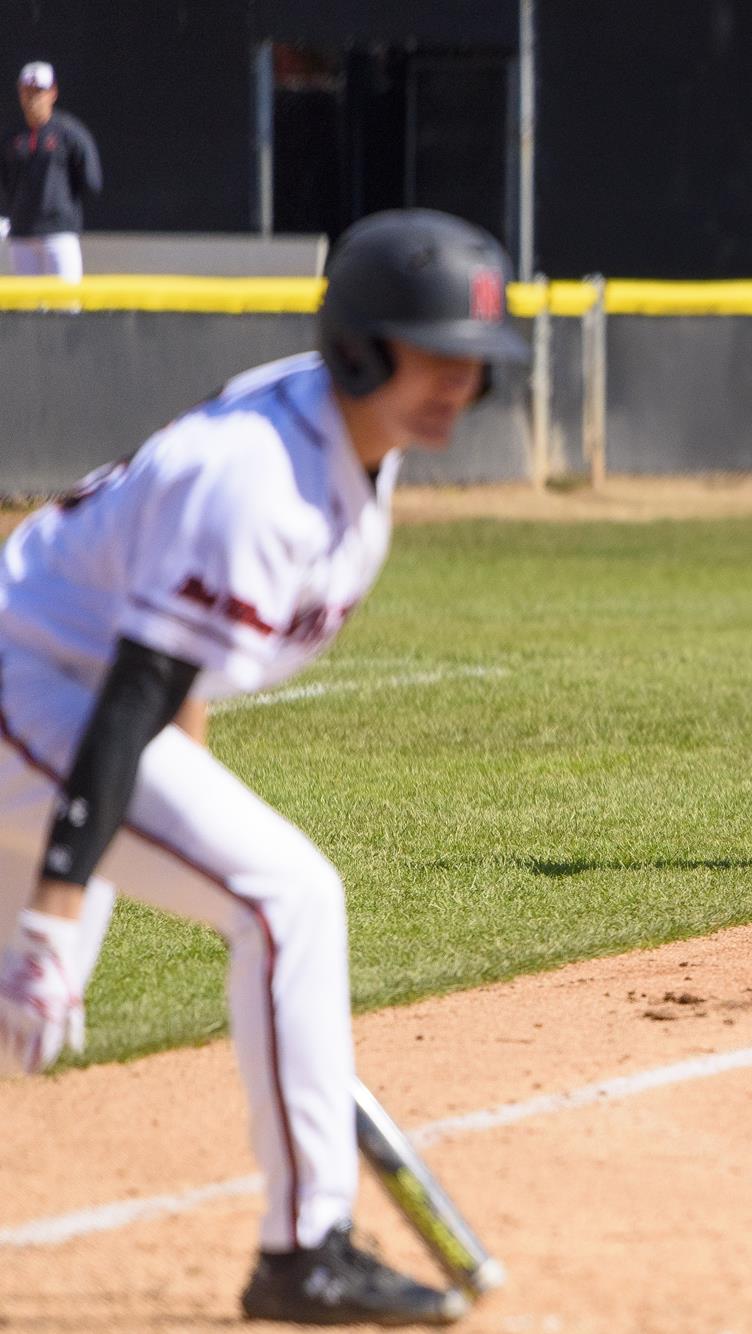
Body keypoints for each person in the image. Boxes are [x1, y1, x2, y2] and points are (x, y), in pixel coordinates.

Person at [0, 209, 525, 1325]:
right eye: (433, 355)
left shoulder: (345, 448)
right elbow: (135, 684)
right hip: (35, 693)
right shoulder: (261, 476)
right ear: (362, 349)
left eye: (472, 366)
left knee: (34, 1001)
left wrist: (176, 823)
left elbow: (171, 665)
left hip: (68, 695)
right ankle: (303, 1251)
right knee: (291, 896)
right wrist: (58, 905)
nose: (455, 386)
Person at [1, 61, 103, 281]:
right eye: (27, 91)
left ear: (53, 92)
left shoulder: (69, 132)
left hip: (59, 235)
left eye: (39, 91)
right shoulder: (11, 137)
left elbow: (91, 181)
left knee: (64, 307)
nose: (33, 98)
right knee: (26, 310)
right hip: (22, 235)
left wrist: (62, 208)